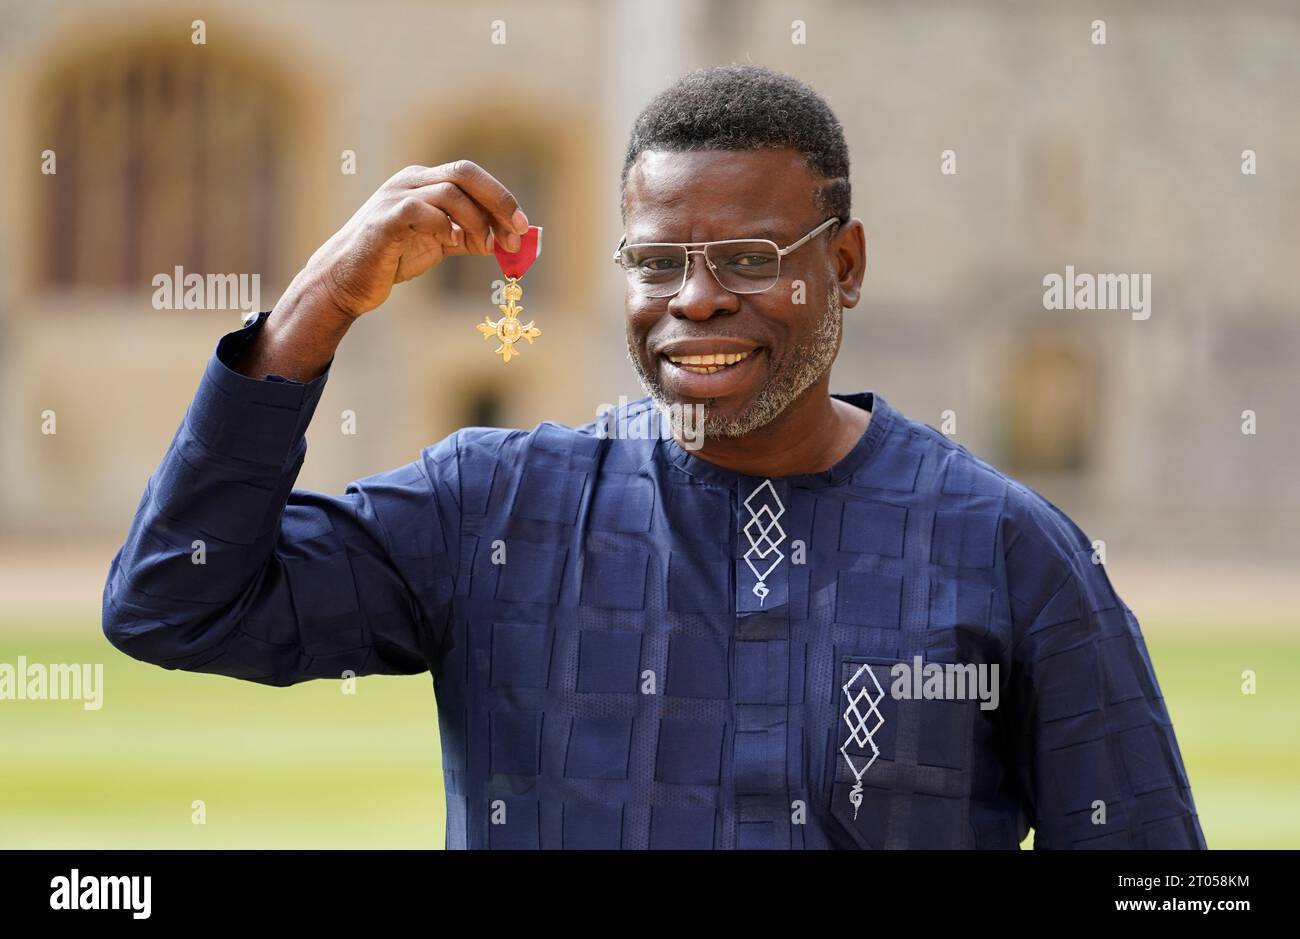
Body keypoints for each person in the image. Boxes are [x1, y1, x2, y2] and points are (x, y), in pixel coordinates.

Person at [103, 64, 1205, 850]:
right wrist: (319, 305)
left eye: (746, 254)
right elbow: (174, 603)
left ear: (848, 265)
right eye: (656, 259)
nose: (695, 297)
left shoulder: (1006, 548)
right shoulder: (491, 509)